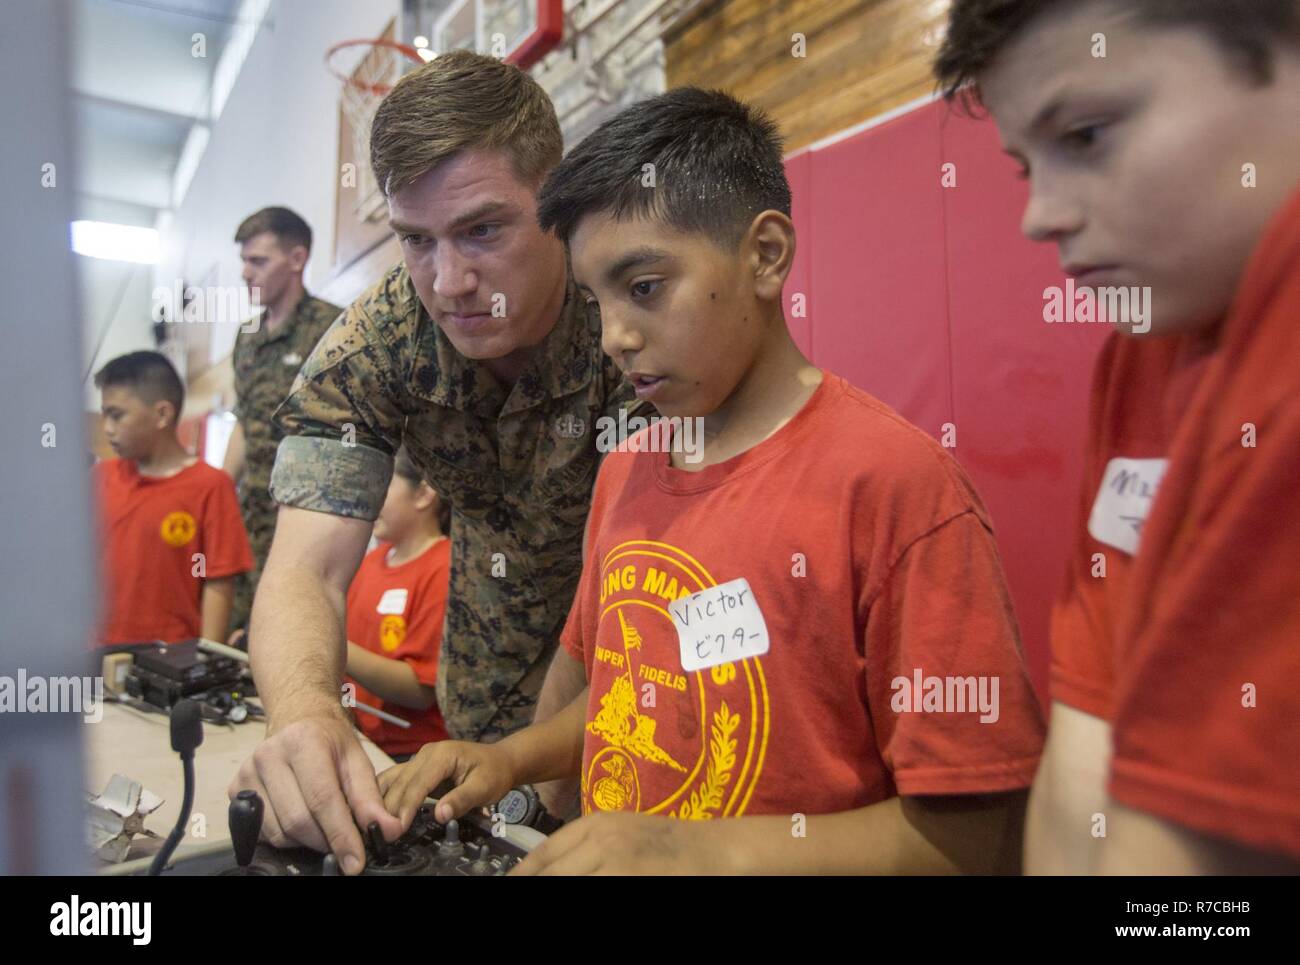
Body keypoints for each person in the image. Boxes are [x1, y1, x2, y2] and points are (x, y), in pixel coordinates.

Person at [377, 88, 1047, 875]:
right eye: (596, 301)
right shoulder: (625, 467)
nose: (616, 337)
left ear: (765, 255)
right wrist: (510, 758)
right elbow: (626, 692)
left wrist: (695, 848)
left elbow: (972, 836)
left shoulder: (896, 486)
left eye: (645, 287)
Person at [229, 50, 648, 874]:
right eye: (415, 240)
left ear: (557, 197)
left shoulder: (635, 312)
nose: (448, 281)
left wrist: (557, 759)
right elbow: (305, 568)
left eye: (483, 229)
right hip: (480, 701)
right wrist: (307, 712)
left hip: (640, 692)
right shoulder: (378, 342)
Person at [934, 0, 1300, 872]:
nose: (1039, 215)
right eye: (1026, 166)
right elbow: (1092, 734)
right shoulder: (1142, 354)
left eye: (1087, 135)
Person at [223, 207, 340, 641]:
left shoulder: (333, 327)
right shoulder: (247, 337)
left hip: (302, 515)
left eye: (258, 261)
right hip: (248, 515)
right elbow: (244, 419)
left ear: (296, 259)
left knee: (288, 631)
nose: (245, 272)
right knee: (238, 632)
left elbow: (345, 427)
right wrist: (219, 491)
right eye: (244, 261)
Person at [94, 351, 252, 645]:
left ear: (162, 415)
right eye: (105, 415)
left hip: (168, 658)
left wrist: (205, 657)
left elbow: (218, 582)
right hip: (94, 652)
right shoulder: (100, 478)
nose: (108, 428)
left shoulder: (210, 487)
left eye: (117, 415)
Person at [343, 447, 451, 760]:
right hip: (360, 739)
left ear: (424, 494)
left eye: (382, 483)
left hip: (409, 755)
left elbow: (420, 691)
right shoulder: (371, 561)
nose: (368, 495)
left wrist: (329, 643)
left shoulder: (444, 569)